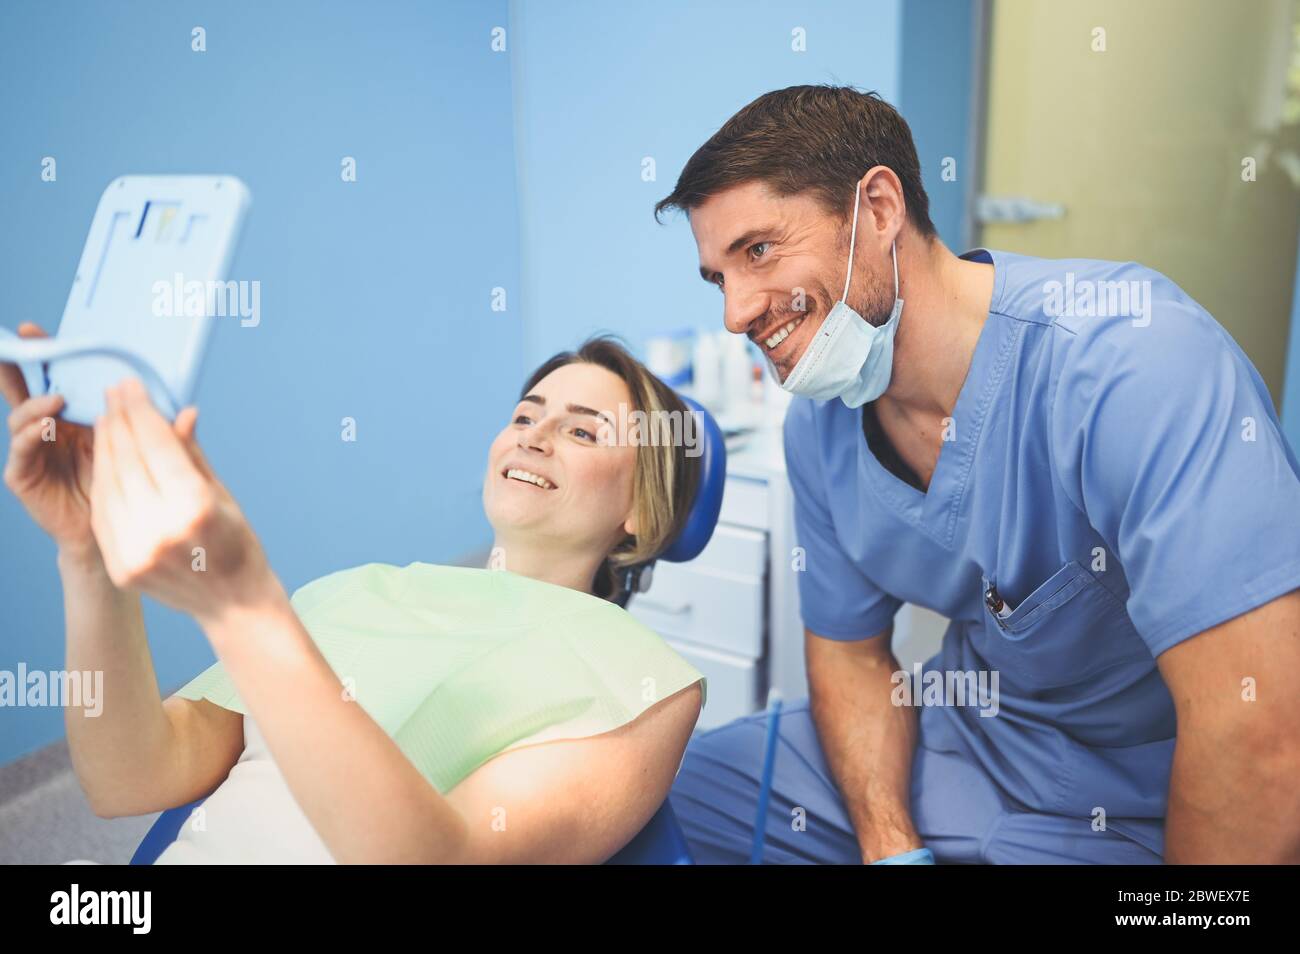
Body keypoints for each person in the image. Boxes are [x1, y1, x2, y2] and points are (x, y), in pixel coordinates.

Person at [656, 84, 1300, 864]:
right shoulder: (821, 425)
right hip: (964, 743)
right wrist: (891, 848)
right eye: (718, 277)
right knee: (665, 804)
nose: (735, 313)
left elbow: (1261, 734)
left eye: (758, 251)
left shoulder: (1135, 364)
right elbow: (851, 656)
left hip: (1141, 800)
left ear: (881, 207)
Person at [1, 330, 706, 863]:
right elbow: (127, 779)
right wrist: (87, 553)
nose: (536, 438)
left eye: (582, 430)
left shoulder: (643, 681)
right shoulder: (360, 589)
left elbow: (443, 857)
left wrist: (245, 610)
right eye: (525, 417)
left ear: (642, 509)